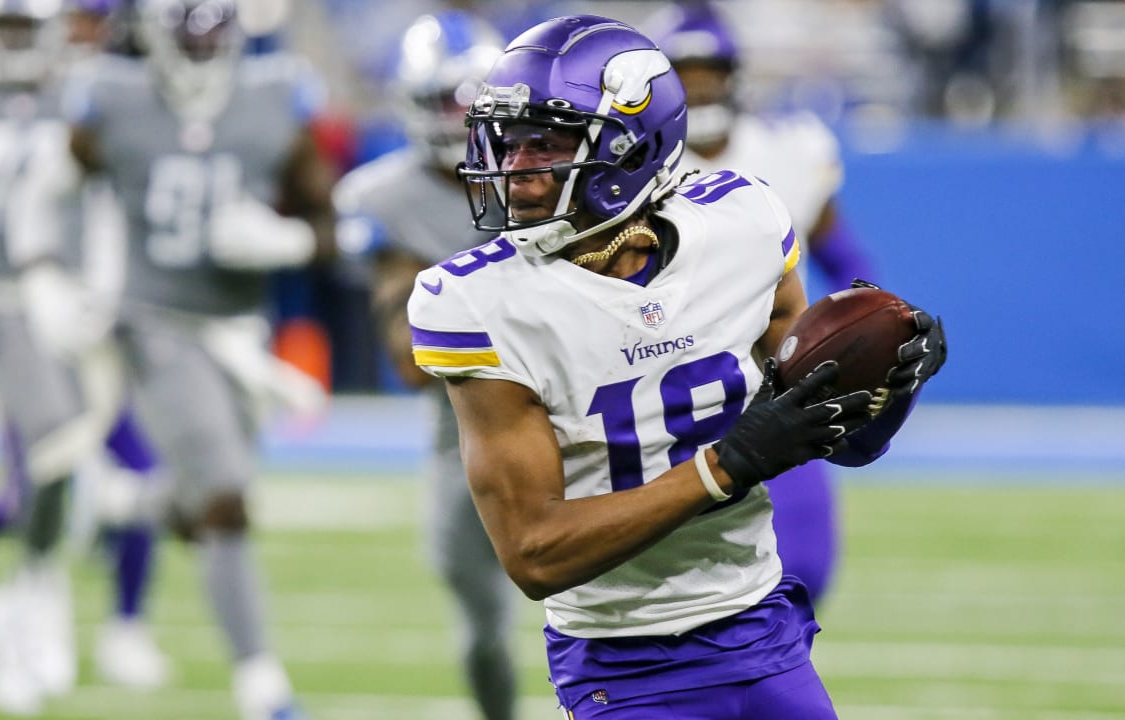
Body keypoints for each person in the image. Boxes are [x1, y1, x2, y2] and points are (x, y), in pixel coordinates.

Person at [407, 14, 947, 719]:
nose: (516, 169)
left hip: (760, 628)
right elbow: (535, 554)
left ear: (632, 149)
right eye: (507, 144)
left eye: (544, 143)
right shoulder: (477, 303)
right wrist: (724, 466)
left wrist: (892, 385)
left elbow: (845, 443)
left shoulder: (743, 227)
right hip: (622, 660)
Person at [12, 0, 335, 717]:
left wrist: (290, 242)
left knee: (201, 510)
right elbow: (42, 193)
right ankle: (262, 684)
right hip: (151, 319)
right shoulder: (113, 97)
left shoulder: (279, 93)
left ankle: (125, 505)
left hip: (239, 331)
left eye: (211, 34)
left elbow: (328, 220)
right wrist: (40, 274)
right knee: (225, 491)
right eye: (185, 35)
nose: (199, 50)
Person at [0, 0, 171, 713]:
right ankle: (27, 607)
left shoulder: (88, 97)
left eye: (28, 27)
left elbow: (125, 193)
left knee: (138, 476)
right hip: (4, 310)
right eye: (6, 28)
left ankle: (124, 625)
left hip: (90, 314)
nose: (17, 42)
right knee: (46, 466)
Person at [646, 0, 878, 606]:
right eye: (683, 73)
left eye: (708, 70)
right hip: (677, 394)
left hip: (775, 383)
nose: (698, 85)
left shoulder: (790, 148)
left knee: (804, 575)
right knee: (678, 586)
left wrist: (869, 331)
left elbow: (848, 261)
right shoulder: (637, 170)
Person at [333, 11, 521, 720]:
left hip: (580, 412)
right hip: (467, 433)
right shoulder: (383, 197)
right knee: (483, 630)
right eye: (440, 100)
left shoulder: (542, 168)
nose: (455, 117)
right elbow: (411, 363)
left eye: (465, 100)